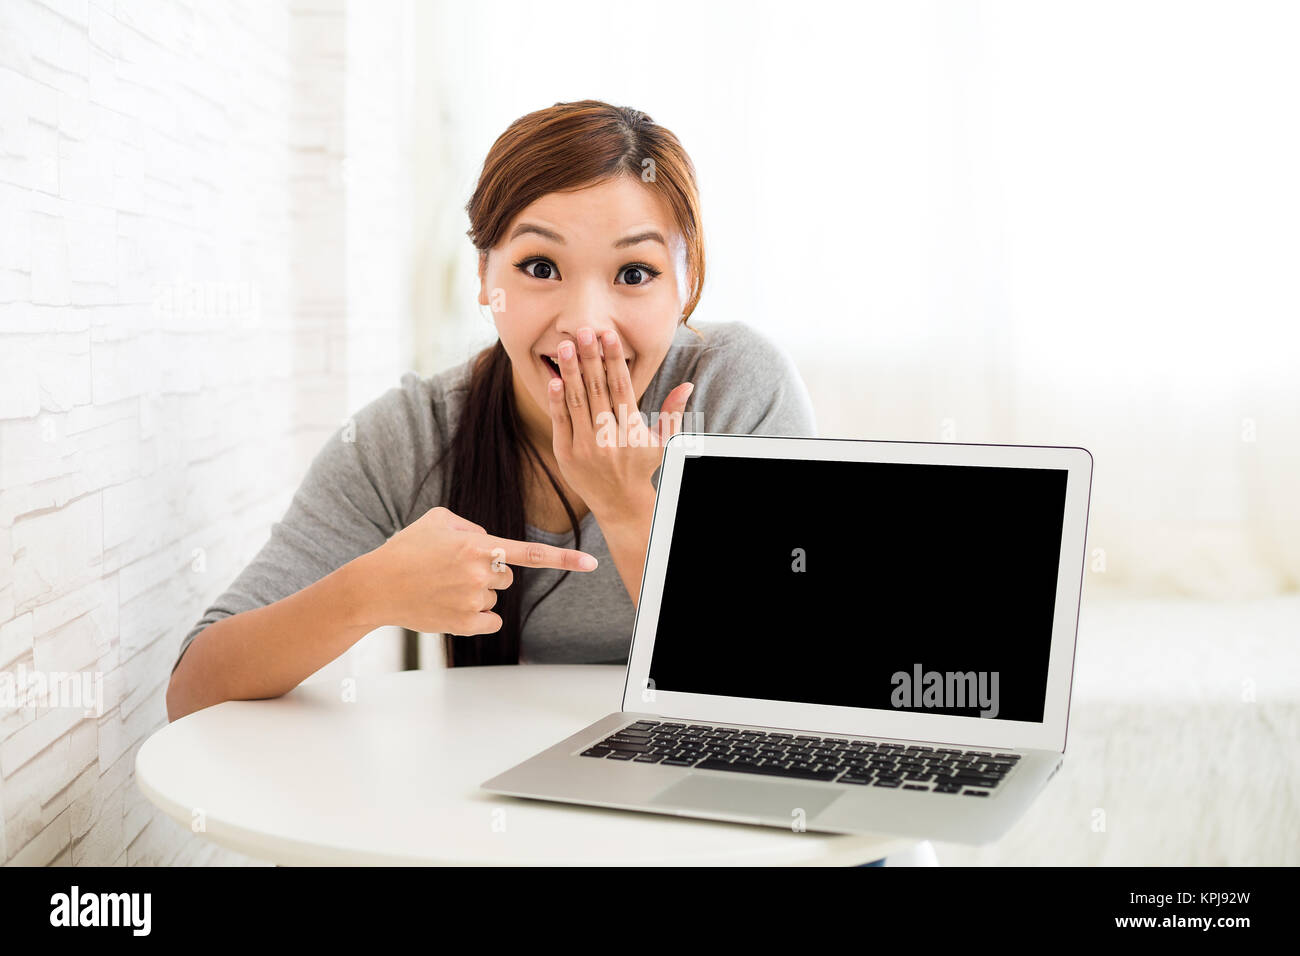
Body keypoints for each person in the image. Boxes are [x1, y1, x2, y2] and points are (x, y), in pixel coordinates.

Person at [164, 97, 872, 858]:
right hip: (531, 821)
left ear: (685, 284)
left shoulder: (738, 389)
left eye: (634, 272)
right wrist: (366, 593)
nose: (585, 322)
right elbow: (196, 689)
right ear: (484, 278)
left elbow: (795, 703)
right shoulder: (413, 434)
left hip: (743, 821)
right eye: (540, 267)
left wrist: (631, 509)